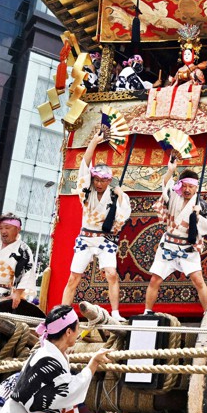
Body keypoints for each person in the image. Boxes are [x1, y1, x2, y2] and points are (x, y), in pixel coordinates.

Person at [60, 131, 131, 316]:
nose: (99, 183)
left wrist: (121, 195)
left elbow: (122, 217)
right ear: (93, 179)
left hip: (104, 240)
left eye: (103, 180)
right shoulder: (87, 192)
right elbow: (84, 163)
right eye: (97, 179)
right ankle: (63, 312)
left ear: (109, 180)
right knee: (73, 277)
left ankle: (115, 313)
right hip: (85, 237)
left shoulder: (115, 195)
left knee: (111, 273)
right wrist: (94, 141)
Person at [144, 156, 207, 313]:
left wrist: (198, 216)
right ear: (180, 186)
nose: (187, 190)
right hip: (168, 245)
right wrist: (170, 171)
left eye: (191, 187)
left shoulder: (201, 205)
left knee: (198, 281)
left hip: (187, 248)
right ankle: (147, 312)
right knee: (155, 279)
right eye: (185, 186)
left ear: (196, 188)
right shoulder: (175, 196)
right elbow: (165, 186)